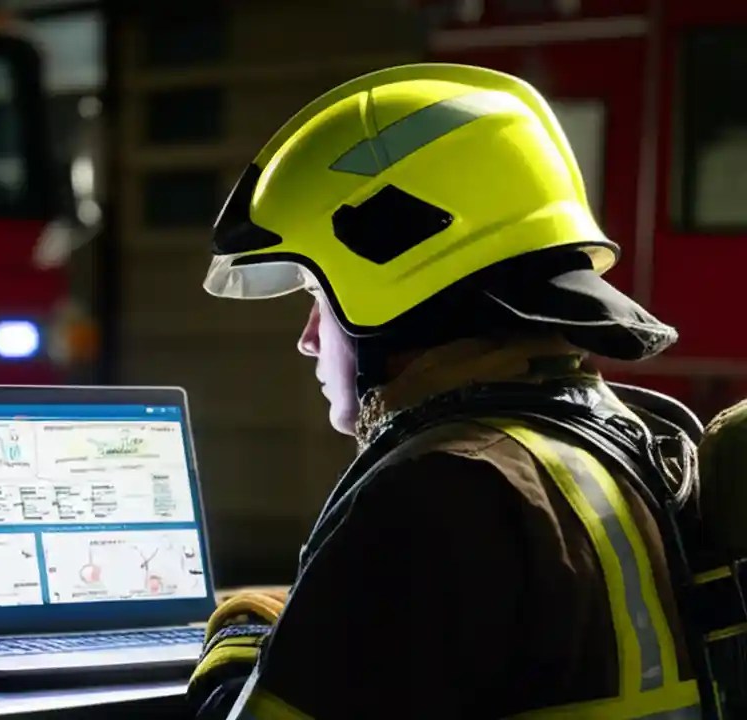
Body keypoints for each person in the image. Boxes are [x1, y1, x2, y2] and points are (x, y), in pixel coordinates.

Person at [185, 63, 710, 718]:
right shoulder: (633, 447)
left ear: (395, 279)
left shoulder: (439, 489)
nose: (309, 338)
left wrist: (241, 640)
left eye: (317, 296)